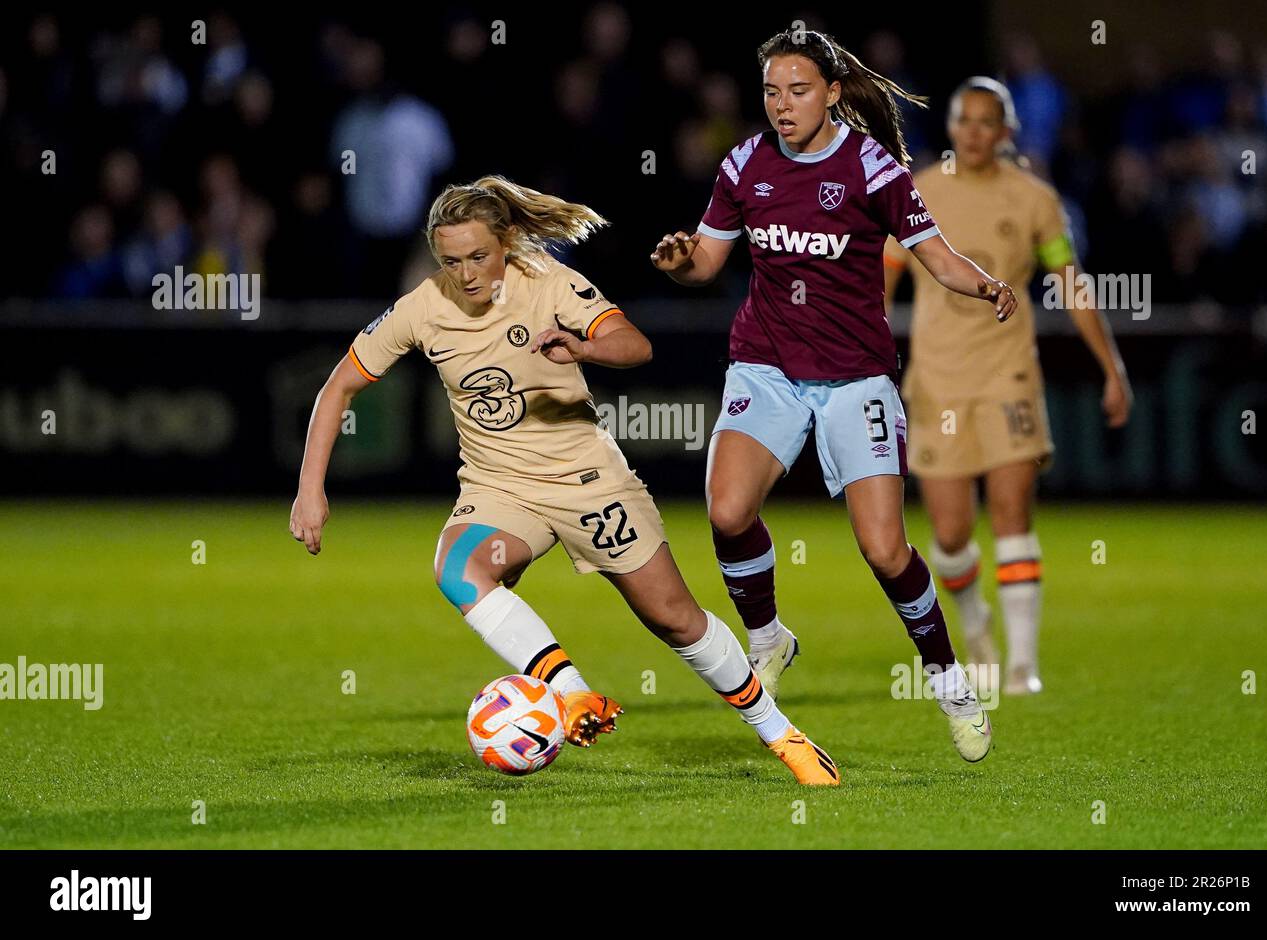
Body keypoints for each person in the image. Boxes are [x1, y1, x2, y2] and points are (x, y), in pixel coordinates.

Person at [290, 176, 840, 785]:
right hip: (500, 487)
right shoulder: (423, 308)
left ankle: (782, 735)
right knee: (457, 569)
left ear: (504, 244)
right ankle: (573, 693)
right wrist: (310, 488)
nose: (467, 274)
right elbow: (338, 384)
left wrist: (584, 347)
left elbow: (635, 346)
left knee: (673, 617)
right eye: (451, 261)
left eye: (478, 257)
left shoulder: (550, 283)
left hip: (587, 480)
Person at [651, 28, 1018, 762]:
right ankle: (768, 639)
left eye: (797, 91)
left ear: (832, 93)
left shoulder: (871, 168)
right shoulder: (745, 163)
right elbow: (708, 262)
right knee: (726, 511)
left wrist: (985, 283)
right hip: (768, 365)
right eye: (771, 92)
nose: (782, 106)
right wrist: (679, 263)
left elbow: (935, 255)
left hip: (855, 376)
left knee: (884, 550)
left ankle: (949, 683)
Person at [884, 77, 1132, 694]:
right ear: (951, 127)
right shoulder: (917, 192)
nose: (972, 132)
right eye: (963, 120)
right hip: (936, 381)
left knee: (1012, 513)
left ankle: (1022, 664)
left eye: (985, 122)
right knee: (947, 537)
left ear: (1006, 132)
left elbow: (1070, 282)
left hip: (1008, 375)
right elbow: (882, 281)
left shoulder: (1034, 200)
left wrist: (1112, 368)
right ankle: (974, 621)